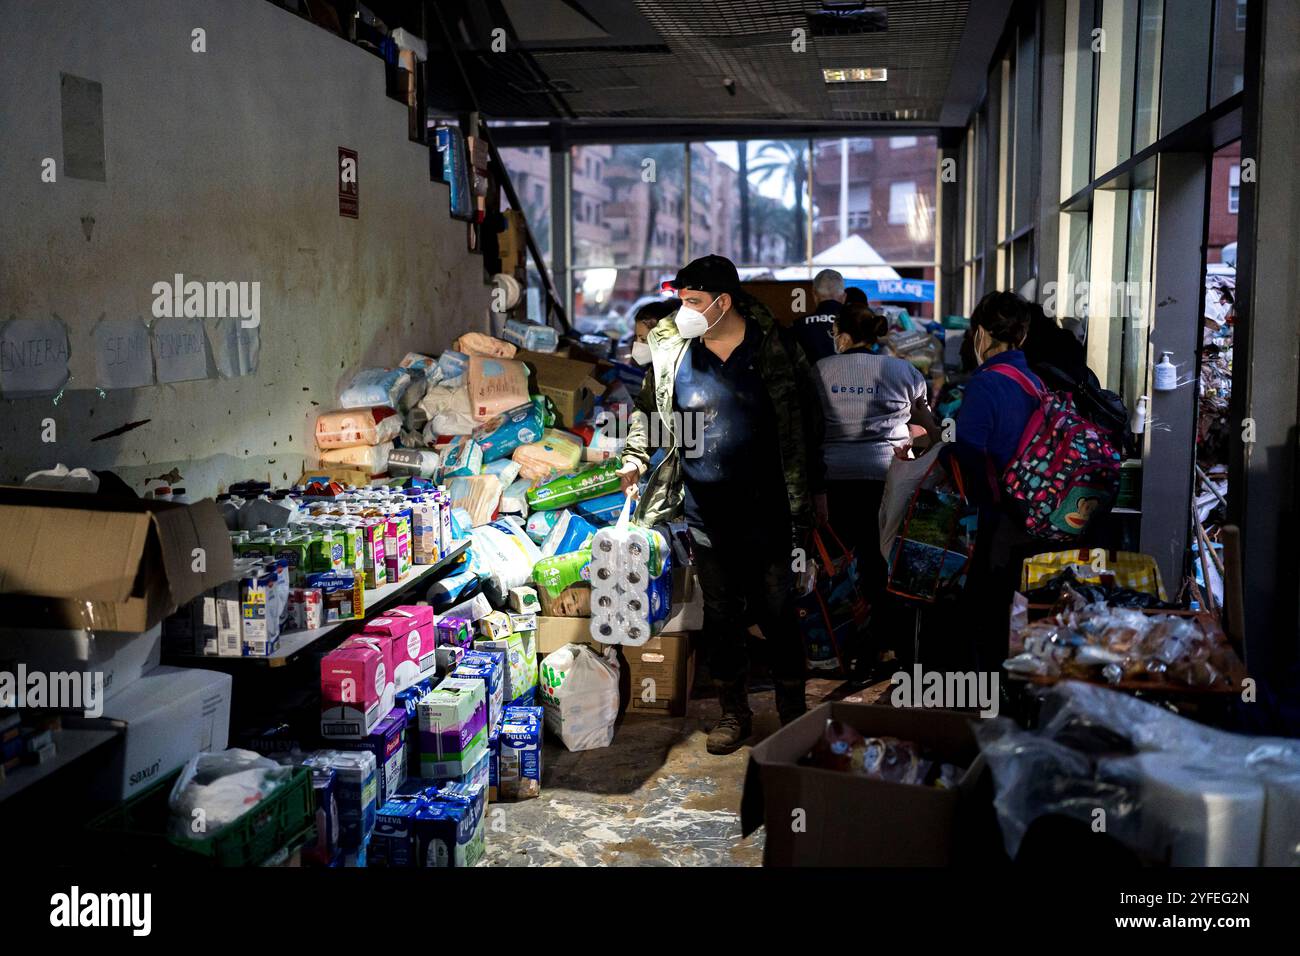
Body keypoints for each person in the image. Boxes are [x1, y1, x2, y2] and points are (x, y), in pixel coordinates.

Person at [618, 254, 826, 755]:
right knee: (723, 613)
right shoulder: (675, 352)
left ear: (723, 302)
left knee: (778, 611)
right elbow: (648, 412)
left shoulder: (773, 348)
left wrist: (814, 497)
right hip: (705, 510)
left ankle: (791, 709)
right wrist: (634, 455)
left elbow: (807, 426)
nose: (681, 311)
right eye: (681, 299)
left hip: (770, 509)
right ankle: (734, 713)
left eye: (692, 301)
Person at [810, 303, 940, 674]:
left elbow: (808, 427)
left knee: (838, 568)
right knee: (883, 564)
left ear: (844, 336)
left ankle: (841, 646)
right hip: (888, 482)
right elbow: (929, 429)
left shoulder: (819, 371)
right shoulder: (903, 371)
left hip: (831, 485)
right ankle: (889, 647)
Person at [943, 291, 1043, 672]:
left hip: (998, 515)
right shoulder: (1032, 380)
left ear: (981, 334)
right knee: (1013, 610)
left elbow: (969, 448)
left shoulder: (986, 384)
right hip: (1031, 511)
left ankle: (986, 701)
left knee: (987, 614)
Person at [794, 269, 847, 364]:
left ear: (814, 295)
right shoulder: (855, 324)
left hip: (811, 378)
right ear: (844, 297)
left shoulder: (798, 325)